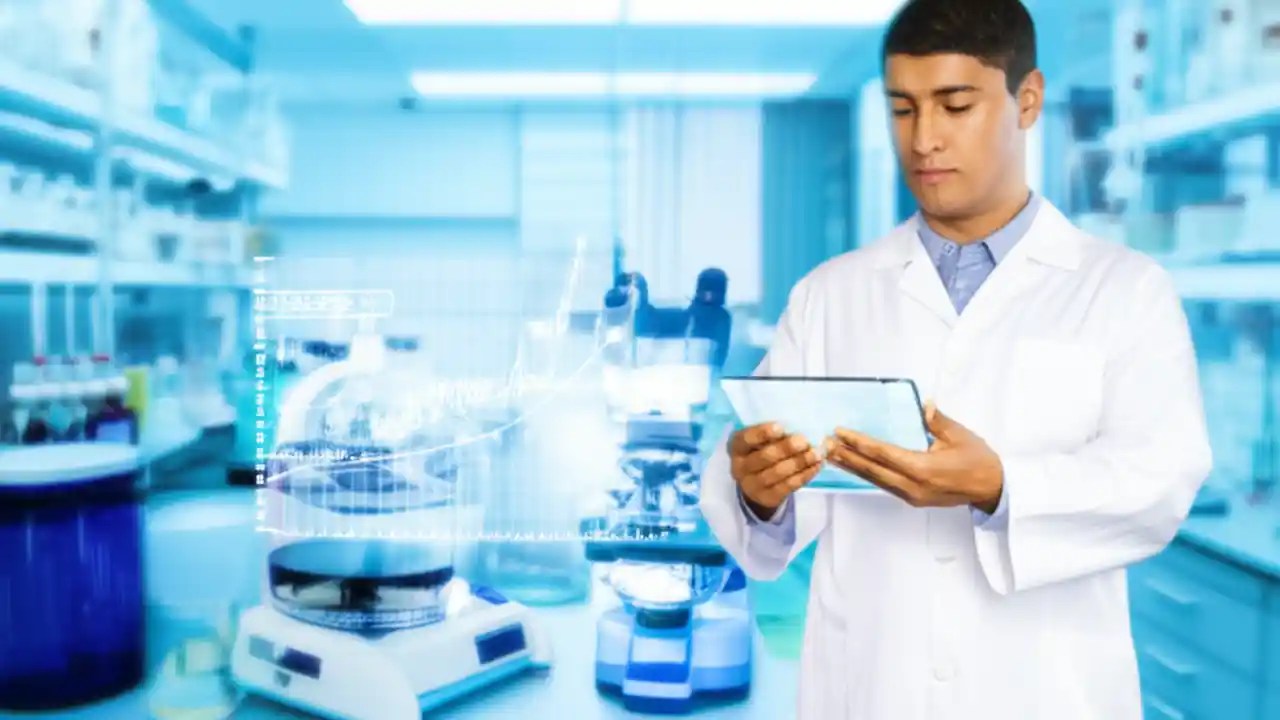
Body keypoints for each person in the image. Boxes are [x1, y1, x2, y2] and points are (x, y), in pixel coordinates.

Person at [699, 1, 1213, 718]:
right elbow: (756, 505)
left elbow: (1160, 480)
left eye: (955, 104)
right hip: (873, 691)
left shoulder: (1123, 290)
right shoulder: (830, 295)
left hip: (1048, 695)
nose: (925, 139)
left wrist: (1000, 485)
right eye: (903, 109)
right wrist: (759, 488)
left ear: (1025, 100)